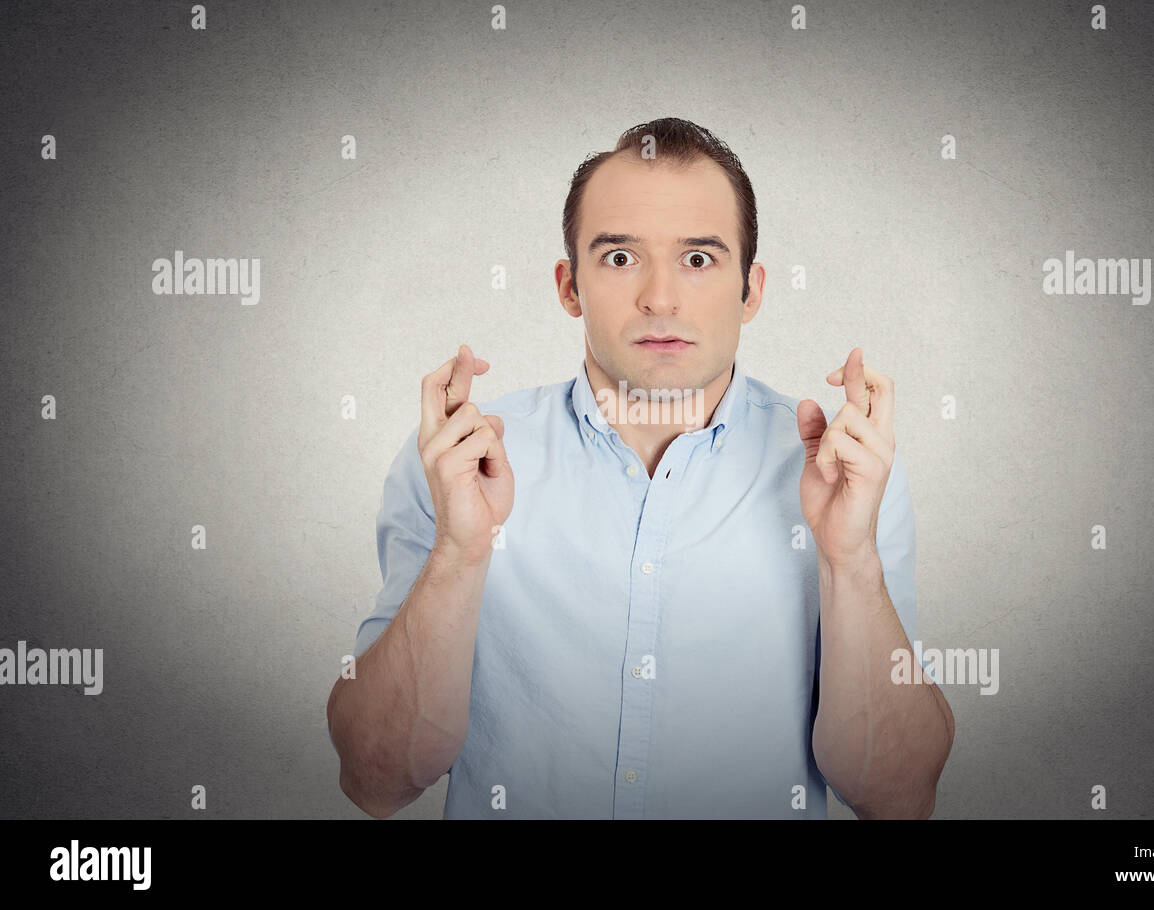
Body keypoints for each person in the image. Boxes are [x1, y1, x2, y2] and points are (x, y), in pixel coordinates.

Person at [326, 117, 954, 819]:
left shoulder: (848, 474)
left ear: (751, 290)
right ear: (570, 286)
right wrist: (459, 552)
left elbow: (897, 796)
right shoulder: (460, 461)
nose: (661, 298)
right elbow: (375, 780)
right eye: (621, 258)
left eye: (698, 259)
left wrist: (850, 559)